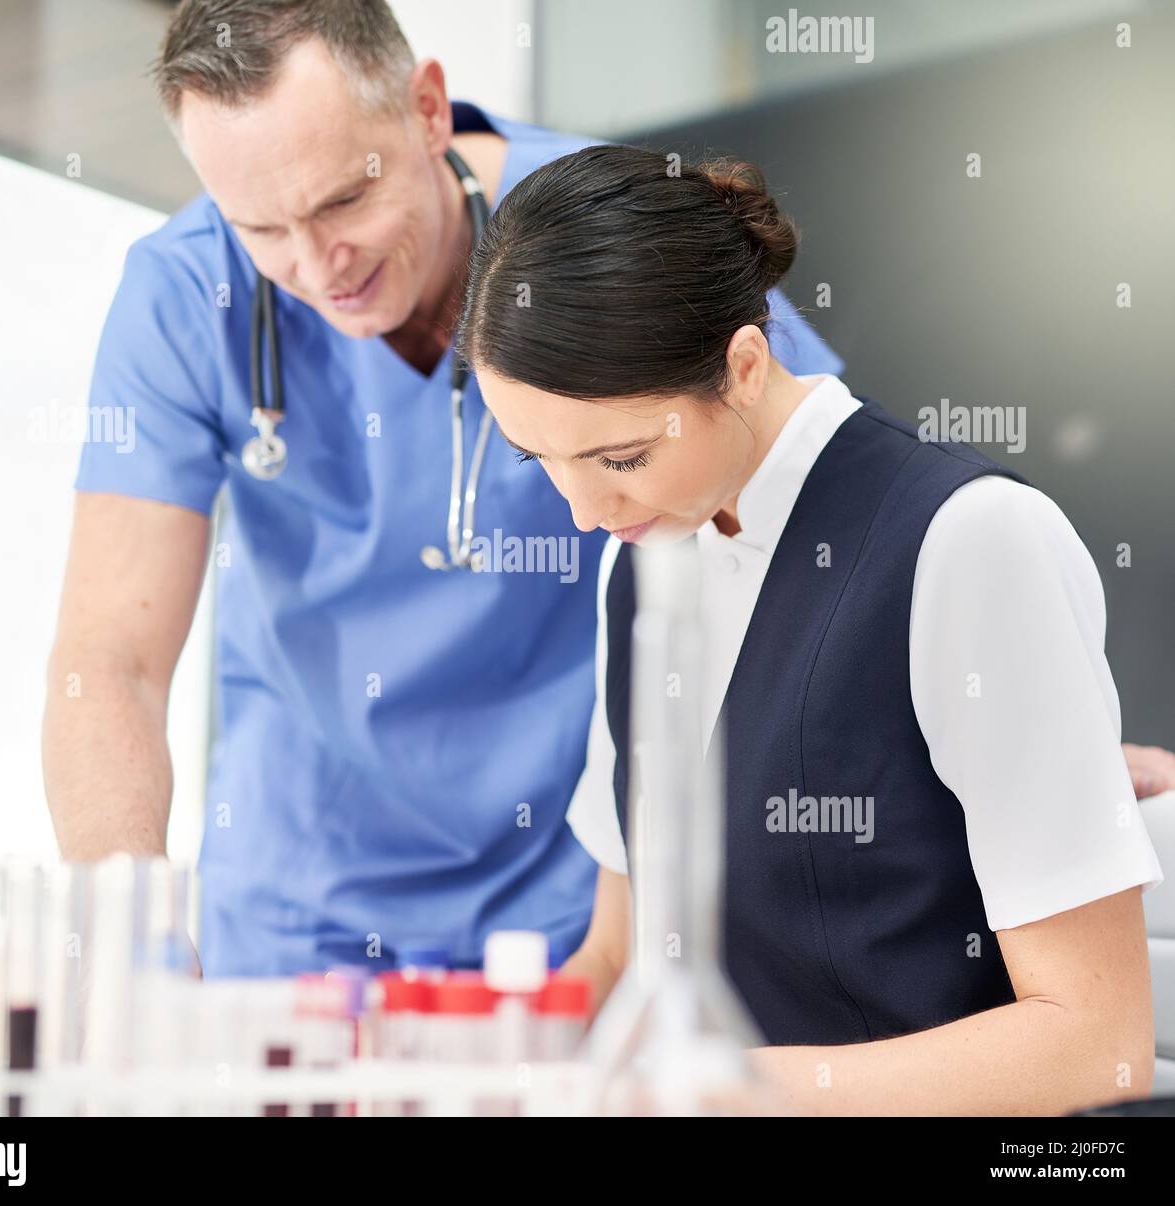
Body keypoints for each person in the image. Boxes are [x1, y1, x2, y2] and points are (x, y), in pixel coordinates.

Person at [40, 0, 845, 975]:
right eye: (259, 226)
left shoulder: (603, 234)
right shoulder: (179, 292)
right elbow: (111, 663)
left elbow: (817, 516)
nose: (313, 266)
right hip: (301, 907)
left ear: (427, 108)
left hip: (581, 905)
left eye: (343, 201)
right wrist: (134, 958)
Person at [457, 143, 1167, 1114]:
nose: (583, 512)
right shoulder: (641, 559)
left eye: (618, 457)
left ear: (743, 367)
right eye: (540, 458)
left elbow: (1097, 1044)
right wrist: (454, 1057)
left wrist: (729, 1090)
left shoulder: (966, 541)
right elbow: (622, 954)